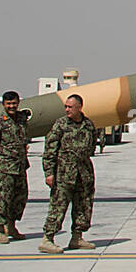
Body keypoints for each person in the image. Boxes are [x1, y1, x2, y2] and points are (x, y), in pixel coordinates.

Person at [39, 94, 98, 253]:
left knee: (83, 205)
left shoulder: (88, 125)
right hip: (64, 173)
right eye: (65, 106)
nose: (67, 109)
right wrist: (49, 173)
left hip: (83, 173)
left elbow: (92, 145)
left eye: (70, 107)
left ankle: (77, 238)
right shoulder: (60, 125)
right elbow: (49, 150)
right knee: (58, 206)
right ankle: (48, 238)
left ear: (79, 107)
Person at [0, 91, 30, 243]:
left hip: (20, 166)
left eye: (14, 103)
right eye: (9, 104)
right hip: (5, 167)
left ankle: (11, 226)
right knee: (3, 199)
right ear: (4, 104)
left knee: (20, 198)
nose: (12, 106)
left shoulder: (22, 119)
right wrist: (4, 155)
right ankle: (0, 229)